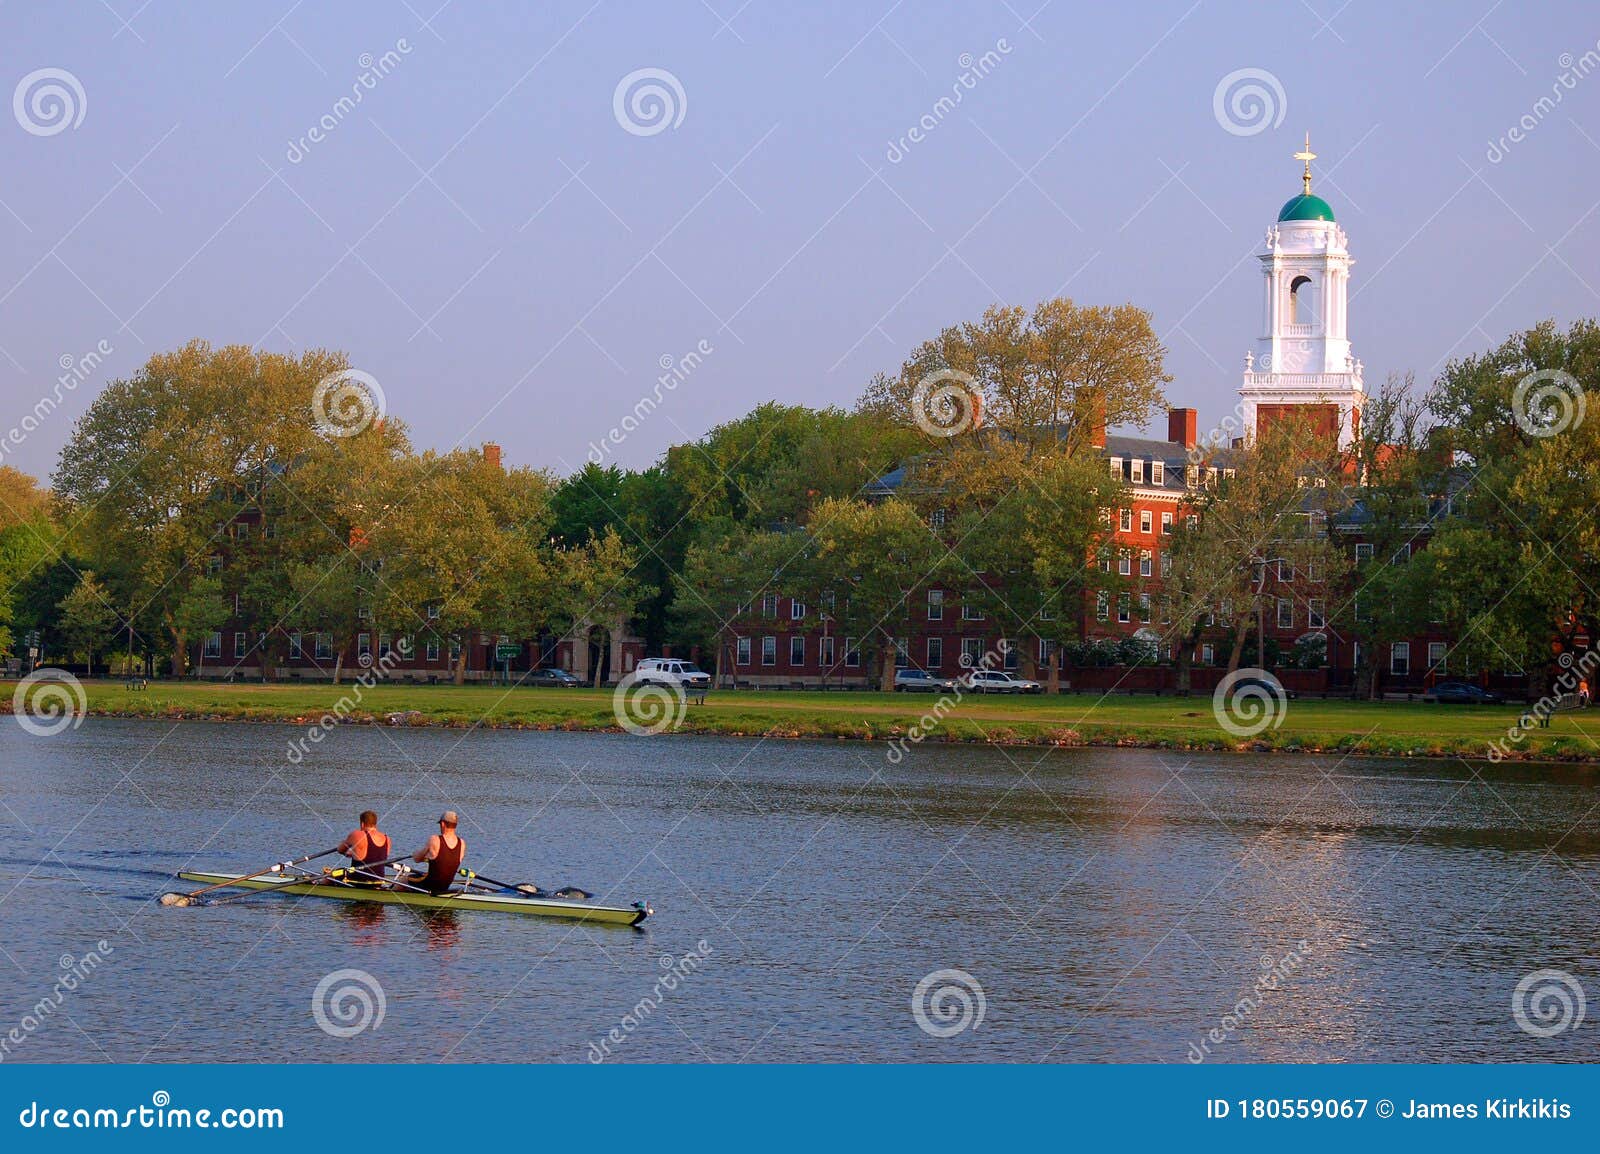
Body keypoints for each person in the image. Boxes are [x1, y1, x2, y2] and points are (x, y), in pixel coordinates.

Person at [401, 811, 466, 896]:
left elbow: (417, 859)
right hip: (445, 887)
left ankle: (388, 896)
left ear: (442, 824)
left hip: (429, 886)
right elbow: (446, 860)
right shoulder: (462, 843)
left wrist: (415, 854)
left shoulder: (434, 839)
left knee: (403, 879)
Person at [336, 811, 393, 885]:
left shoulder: (356, 834)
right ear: (375, 824)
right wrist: (355, 853)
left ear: (362, 824)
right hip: (379, 880)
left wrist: (350, 852)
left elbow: (340, 850)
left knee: (331, 875)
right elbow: (379, 857)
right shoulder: (387, 839)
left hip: (358, 880)